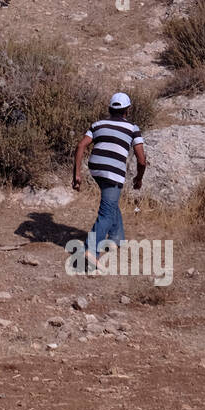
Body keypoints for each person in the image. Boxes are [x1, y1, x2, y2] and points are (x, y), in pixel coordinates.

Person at [72, 92, 147, 274]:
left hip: (96, 168)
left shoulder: (98, 124)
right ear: (127, 110)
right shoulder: (132, 128)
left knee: (111, 202)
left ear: (110, 108)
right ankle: (91, 250)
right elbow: (142, 159)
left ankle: (116, 238)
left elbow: (81, 145)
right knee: (106, 211)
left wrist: (77, 174)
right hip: (113, 172)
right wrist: (139, 178)